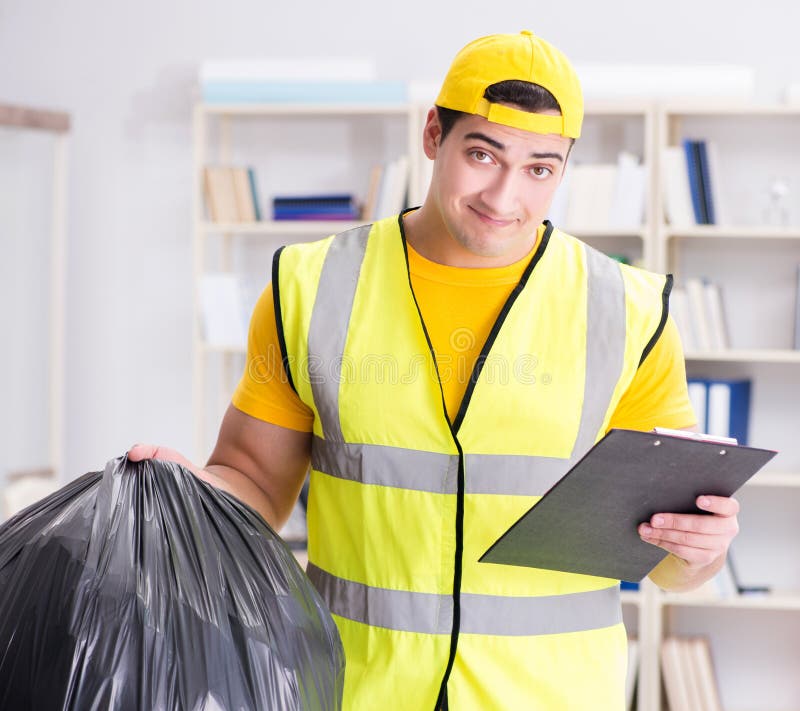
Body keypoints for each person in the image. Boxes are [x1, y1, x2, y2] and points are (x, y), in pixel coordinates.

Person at [131, 30, 741, 710]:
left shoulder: (628, 312)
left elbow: (677, 560)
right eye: (482, 154)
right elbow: (250, 478)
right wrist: (187, 497)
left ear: (565, 168)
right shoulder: (310, 287)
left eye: (540, 168)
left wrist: (701, 551)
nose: (505, 195)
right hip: (354, 689)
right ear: (432, 135)